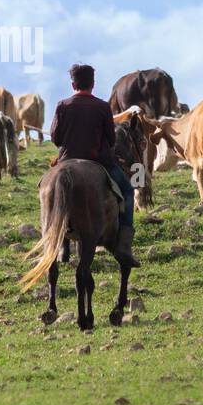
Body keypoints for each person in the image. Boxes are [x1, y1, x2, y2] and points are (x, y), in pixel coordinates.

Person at [48, 63, 139, 267]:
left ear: (73, 85)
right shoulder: (102, 107)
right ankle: (124, 244)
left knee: (50, 189)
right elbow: (110, 139)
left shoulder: (62, 105)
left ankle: (60, 242)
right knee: (127, 191)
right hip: (99, 162)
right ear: (93, 84)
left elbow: (55, 138)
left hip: (66, 160)